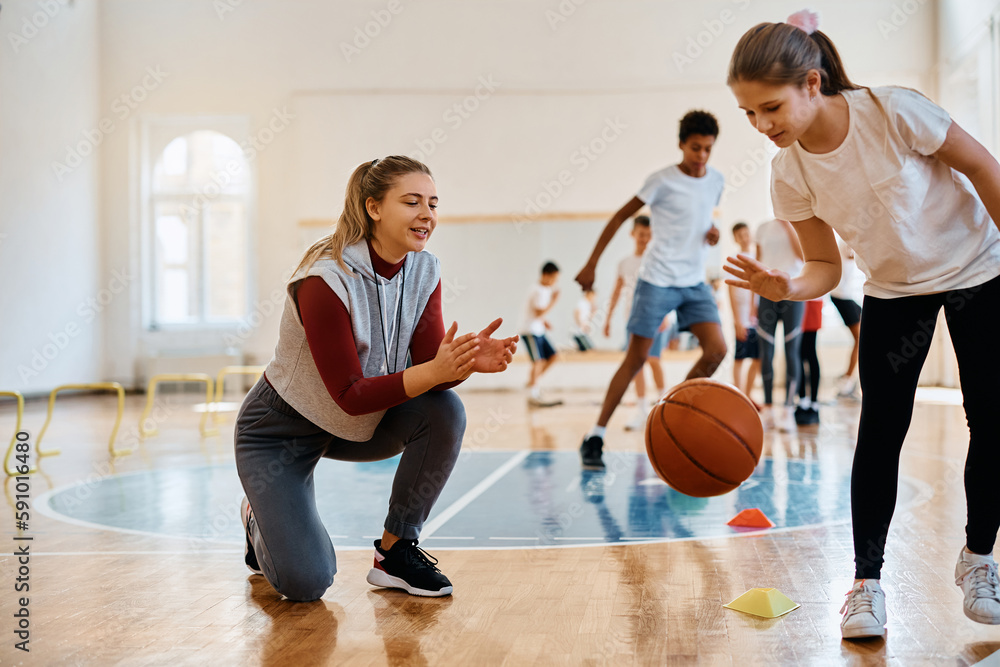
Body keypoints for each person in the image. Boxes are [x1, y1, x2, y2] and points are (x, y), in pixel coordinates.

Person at [726, 10, 1000, 639]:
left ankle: (978, 560)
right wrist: (786, 286)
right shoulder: (789, 170)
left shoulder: (893, 112)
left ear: (813, 84)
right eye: (750, 115)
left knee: (991, 417)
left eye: (770, 108)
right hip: (895, 288)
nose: (763, 126)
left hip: (977, 268)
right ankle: (866, 585)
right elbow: (823, 263)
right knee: (880, 430)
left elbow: (983, 166)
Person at [235, 156, 518, 602]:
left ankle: (395, 552)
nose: (427, 214)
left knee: (444, 410)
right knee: (306, 583)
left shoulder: (424, 269)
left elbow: (428, 370)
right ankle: (258, 518)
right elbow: (349, 395)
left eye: (433, 203)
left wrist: (460, 364)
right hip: (280, 433)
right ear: (373, 208)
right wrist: (434, 370)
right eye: (412, 202)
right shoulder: (323, 279)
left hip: (359, 427)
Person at [576, 110, 727, 469]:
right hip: (657, 279)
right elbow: (618, 217)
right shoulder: (661, 180)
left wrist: (713, 234)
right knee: (636, 359)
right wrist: (592, 263)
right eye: (695, 148)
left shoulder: (716, 181)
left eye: (707, 149)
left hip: (693, 282)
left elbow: (703, 221)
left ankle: (671, 413)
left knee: (717, 350)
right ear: (681, 145)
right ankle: (595, 435)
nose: (701, 156)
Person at [603, 215, 668, 430]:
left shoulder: (656, 260)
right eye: (641, 234)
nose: (645, 238)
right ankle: (641, 411)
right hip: (632, 320)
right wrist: (608, 319)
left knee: (654, 360)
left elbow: (666, 288)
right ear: (633, 234)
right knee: (636, 365)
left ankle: (664, 405)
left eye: (649, 235)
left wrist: (665, 315)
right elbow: (616, 292)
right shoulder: (624, 263)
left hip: (655, 317)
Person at [755, 218, 805, 431]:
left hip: (793, 292)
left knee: (791, 350)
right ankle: (767, 409)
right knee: (766, 352)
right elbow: (757, 266)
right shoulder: (762, 228)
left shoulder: (799, 226)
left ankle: (787, 410)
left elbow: (803, 257)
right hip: (767, 294)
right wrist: (752, 302)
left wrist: (789, 226)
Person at [522, 261, 564, 408]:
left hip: (538, 330)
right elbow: (538, 311)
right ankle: (533, 393)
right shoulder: (537, 290)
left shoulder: (545, 290)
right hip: (529, 330)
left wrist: (544, 321)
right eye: (553, 278)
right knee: (538, 361)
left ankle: (532, 383)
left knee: (553, 356)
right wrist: (554, 301)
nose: (554, 282)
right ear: (546, 275)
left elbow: (539, 313)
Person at [729, 222, 760, 400]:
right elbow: (731, 290)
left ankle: (748, 395)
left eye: (746, 234)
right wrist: (737, 321)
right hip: (741, 316)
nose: (744, 238)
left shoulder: (758, 257)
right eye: (740, 235)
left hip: (758, 316)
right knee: (739, 358)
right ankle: (737, 395)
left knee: (758, 358)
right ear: (735, 238)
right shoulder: (735, 260)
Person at [831, 233, 864, 398]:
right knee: (860, 338)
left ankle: (850, 379)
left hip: (847, 295)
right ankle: (847, 380)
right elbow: (855, 256)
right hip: (841, 295)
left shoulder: (850, 238)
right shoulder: (846, 239)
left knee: (867, 334)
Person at [795, 298, 822, 425]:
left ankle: (814, 404)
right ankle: (802, 401)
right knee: (799, 354)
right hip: (797, 301)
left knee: (810, 352)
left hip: (812, 300)